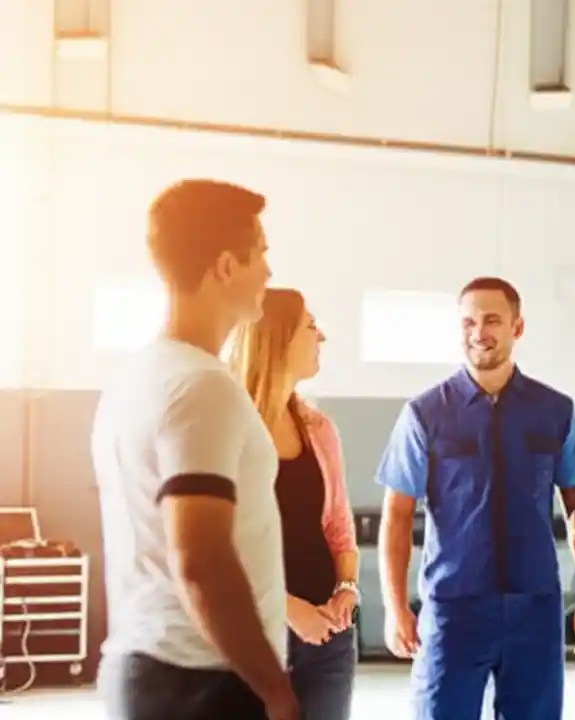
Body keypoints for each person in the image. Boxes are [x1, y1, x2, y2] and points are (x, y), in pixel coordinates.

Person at [91, 179, 300, 720]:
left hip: (153, 670)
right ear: (227, 266)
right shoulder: (202, 386)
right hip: (201, 683)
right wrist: (275, 689)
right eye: (261, 253)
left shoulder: (136, 377)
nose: (269, 272)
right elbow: (201, 560)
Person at [376, 276, 575, 720]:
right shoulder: (425, 413)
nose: (479, 332)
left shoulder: (555, 411)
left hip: (534, 607)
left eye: (492, 320)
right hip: (453, 608)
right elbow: (397, 514)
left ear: (518, 327)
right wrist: (395, 606)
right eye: (468, 322)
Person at [228, 287, 361, 720]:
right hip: (252, 636)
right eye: (310, 326)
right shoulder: (227, 428)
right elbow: (216, 546)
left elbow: (338, 527)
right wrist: (287, 609)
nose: (321, 337)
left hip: (327, 637)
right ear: (278, 338)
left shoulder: (319, 429)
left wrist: (346, 587)